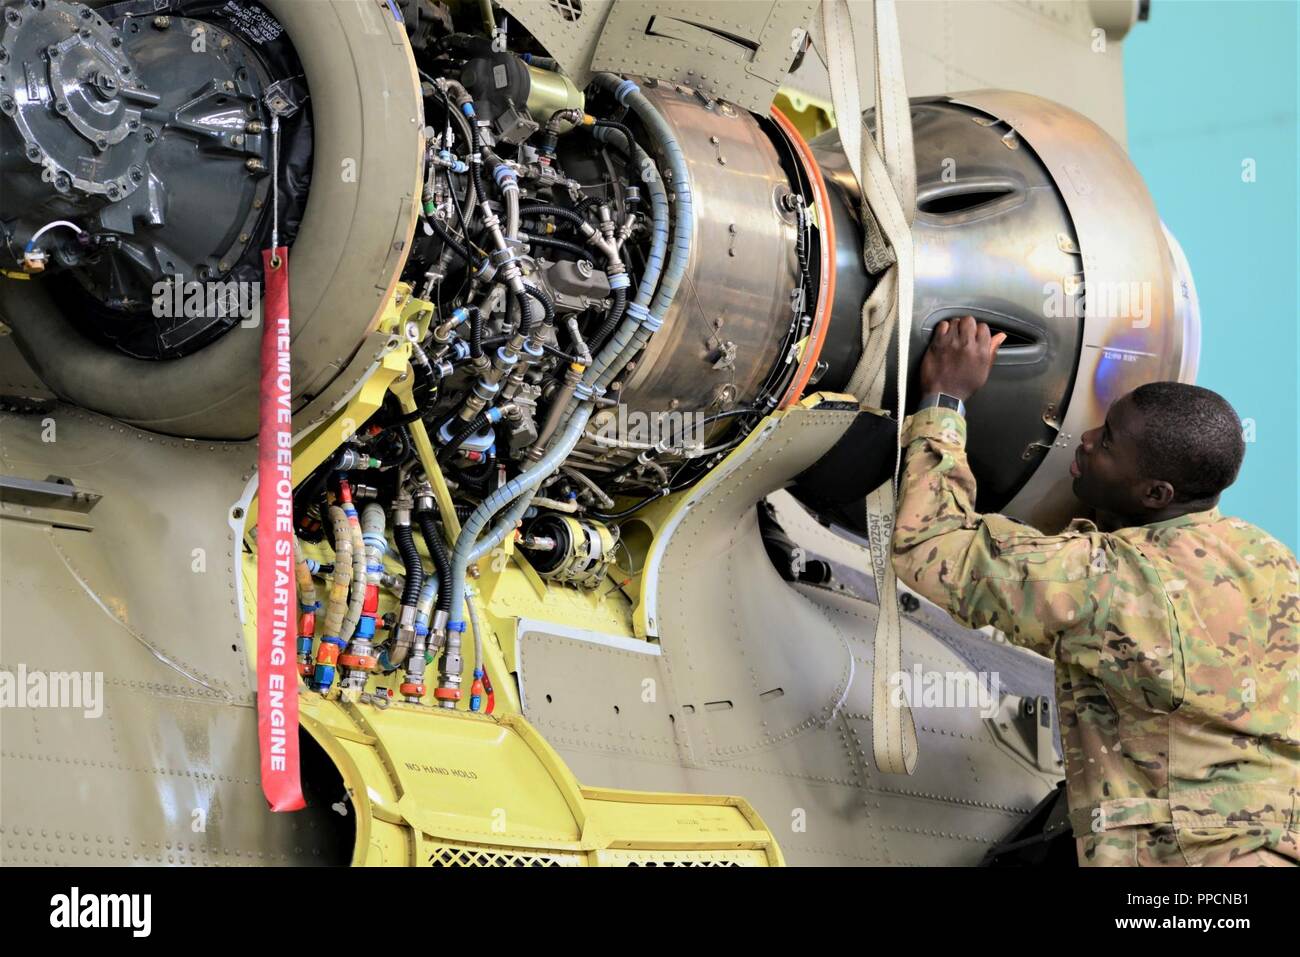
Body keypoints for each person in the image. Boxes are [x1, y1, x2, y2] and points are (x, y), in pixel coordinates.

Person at [891, 315, 1299, 866]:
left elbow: (929, 543)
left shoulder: (1106, 581)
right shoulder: (1270, 558)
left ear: (1156, 492)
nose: (1083, 440)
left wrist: (945, 398)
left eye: (1106, 443)